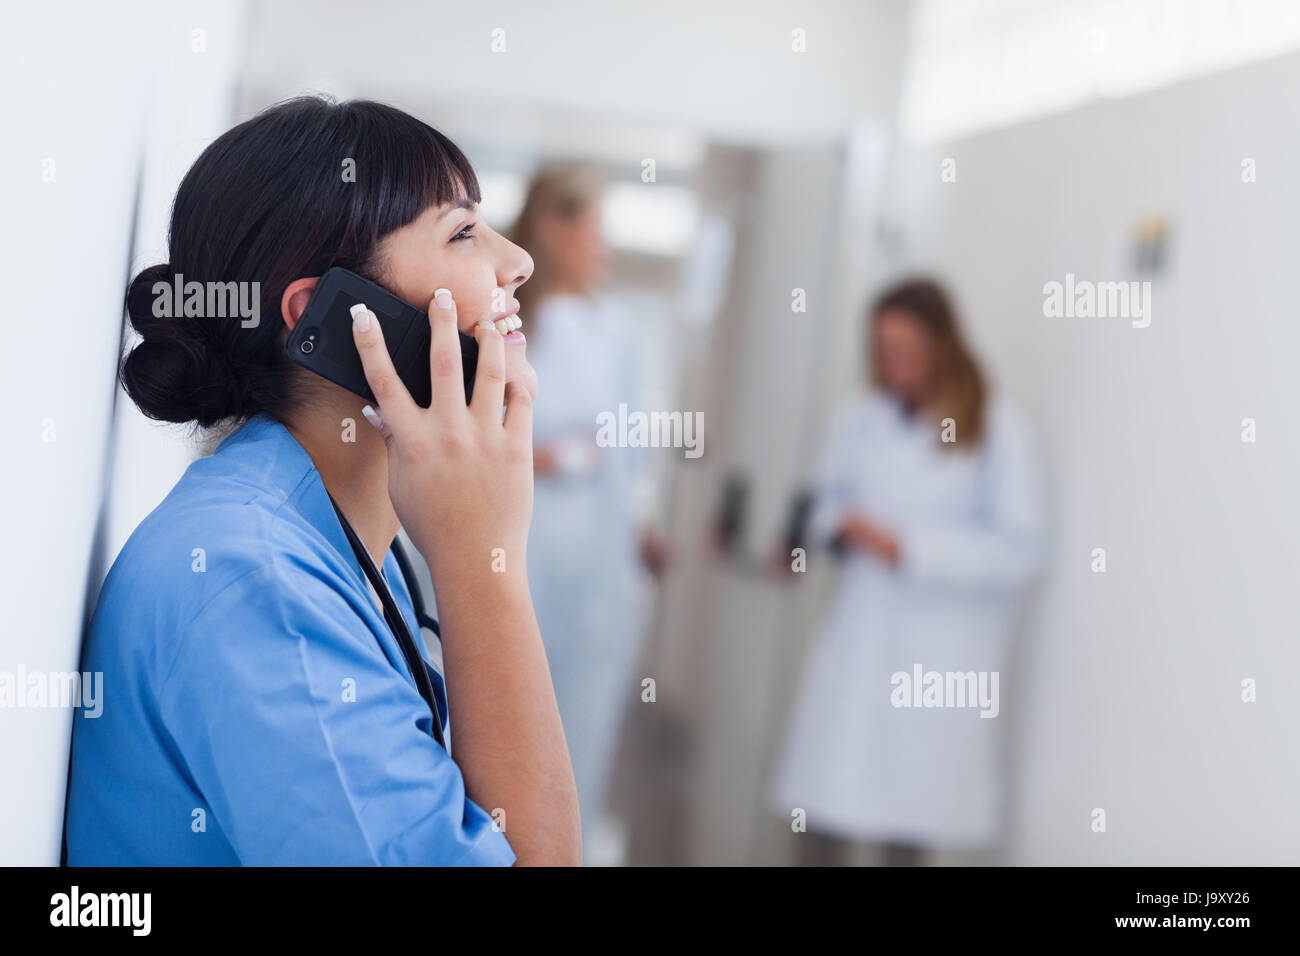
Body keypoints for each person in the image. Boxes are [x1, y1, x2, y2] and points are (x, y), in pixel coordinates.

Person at [63, 96, 581, 866]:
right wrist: (483, 559)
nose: (518, 262)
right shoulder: (252, 579)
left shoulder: (336, 541)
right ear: (331, 320)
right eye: (463, 231)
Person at [768, 277, 1045, 866]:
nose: (894, 365)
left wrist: (909, 548)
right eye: (883, 351)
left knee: (907, 834)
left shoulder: (994, 425)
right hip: (860, 642)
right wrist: (836, 526)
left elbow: (1020, 550)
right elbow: (823, 501)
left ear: (941, 346)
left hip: (937, 660)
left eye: (907, 351)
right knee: (822, 820)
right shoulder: (859, 417)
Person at [507, 164, 665, 862]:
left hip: (600, 564)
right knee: (510, 718)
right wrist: (548, 458)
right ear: (551, 227)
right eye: (593, 229)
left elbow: (629, 455)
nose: (602, 248)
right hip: (526, 549)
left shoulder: (615, 331)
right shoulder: (511, 319)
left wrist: (641, 529)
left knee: (584, 730)